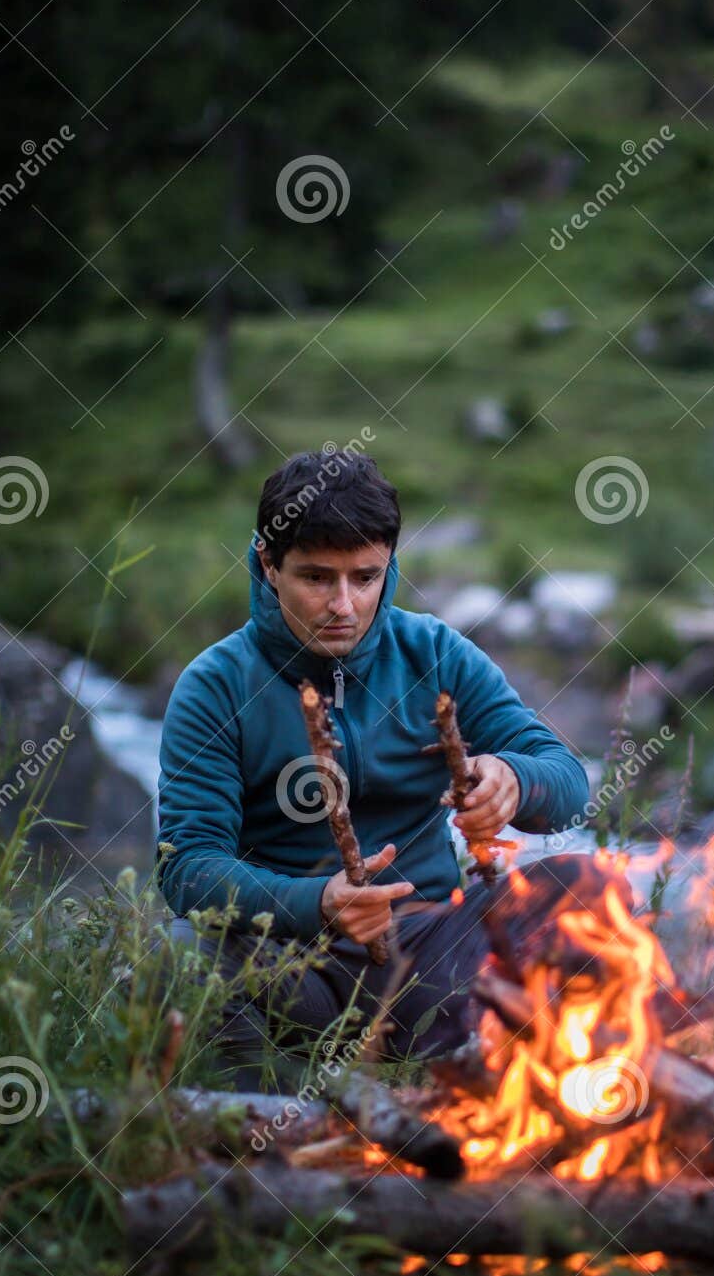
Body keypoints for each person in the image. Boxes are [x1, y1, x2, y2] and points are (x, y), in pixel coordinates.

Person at [156, 448, 592, 1077]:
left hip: (429, 955)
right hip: (289, 961)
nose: (344, 606)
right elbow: (187, 867)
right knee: (180, 953)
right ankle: (269, 1114)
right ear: (268, 564)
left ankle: (497, 1085)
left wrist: (515, 781)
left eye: (365, 578)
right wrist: (317, 901)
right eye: (316, 578)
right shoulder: (215, 685)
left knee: (583, 889)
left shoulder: (435, 653)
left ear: (389, 565)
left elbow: (570, 784)